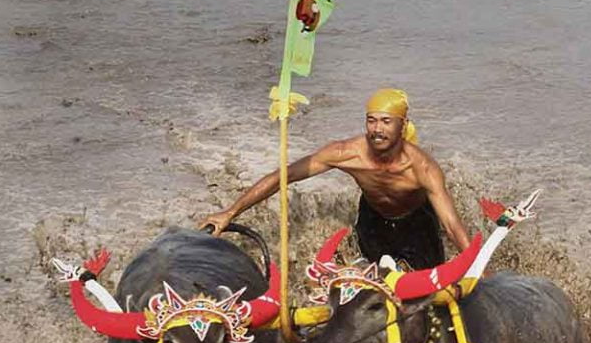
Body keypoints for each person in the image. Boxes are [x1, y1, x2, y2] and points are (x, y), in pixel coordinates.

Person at [200, 88, 472, 269]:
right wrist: (230, 212)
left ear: (403, 124)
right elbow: (283, 177)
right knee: (373, 289)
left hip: (417, 224)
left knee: (427, 294)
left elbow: (451, 225)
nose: (377, 129)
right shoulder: (346, 153)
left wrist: (479, 268)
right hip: (373, 221)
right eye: (371, 120)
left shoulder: (422, 168)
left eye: (386, 121)